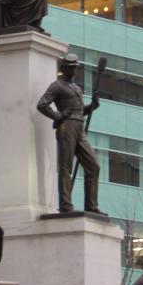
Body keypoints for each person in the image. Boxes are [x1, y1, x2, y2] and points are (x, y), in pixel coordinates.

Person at [37, 53, 102, 214]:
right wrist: (58, 116)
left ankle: (91, 206)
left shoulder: (77, 88)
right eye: (70, 68)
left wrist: (92, 106)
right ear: (64, 68)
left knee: (94, 166)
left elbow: (79, 112)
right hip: (66, 127)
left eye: (75, 68)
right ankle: (66, 205)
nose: (73, 71)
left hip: (79, 127)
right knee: (66, 167)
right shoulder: (57, 85)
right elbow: (42, 104)